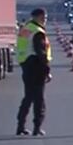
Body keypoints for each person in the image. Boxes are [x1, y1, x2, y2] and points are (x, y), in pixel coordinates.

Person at [15, 8, 52, 136]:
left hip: (26, 64)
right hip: (36, 66)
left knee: (28, 97)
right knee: (39, 99)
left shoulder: (25, 29)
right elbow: (41, 52)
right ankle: (37, 127)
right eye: (44, 17)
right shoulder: (38, 32)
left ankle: (20, 125)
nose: (45, 20)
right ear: (38, 17)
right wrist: (47, 70)